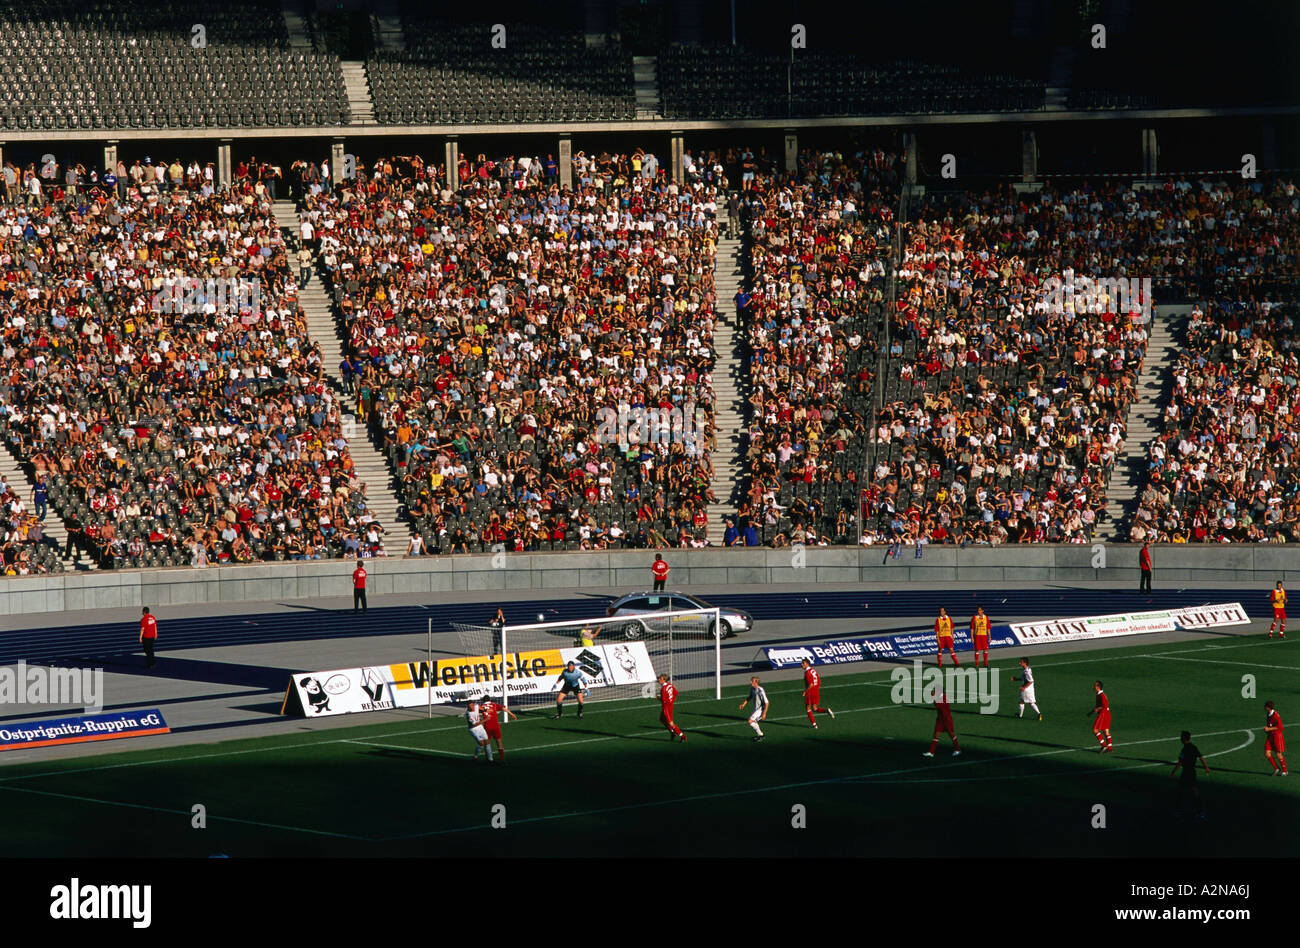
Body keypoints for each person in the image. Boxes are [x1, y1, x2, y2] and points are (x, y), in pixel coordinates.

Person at [1171, 730, 1209, 820]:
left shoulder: (1184, 749)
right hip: (1192, 772)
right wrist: (1206, 767)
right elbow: (1201, 758)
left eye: (1181, 737)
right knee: (1195, 792)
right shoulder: (1194, 747)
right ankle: (1200, 812)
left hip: (1186, 773)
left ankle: (1178, 811)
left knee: (1180, 791)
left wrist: (1173, 772)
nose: (1180, 738)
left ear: (1184, 738)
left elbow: (1180, 762)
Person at [923, 690, 961, 757]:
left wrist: (933, 696)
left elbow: (938, 706)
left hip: (947, 720)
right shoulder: (940, 697)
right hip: (940, 720)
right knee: (936, 735)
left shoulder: (944, 699)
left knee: (951, 734)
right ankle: (931, 752)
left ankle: (957, 750)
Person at [479, 696, 516, 763]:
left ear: (483, 700)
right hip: (495, 725)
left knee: (487, 743)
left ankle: (489, 759)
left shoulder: (481, 706)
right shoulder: (494, 705)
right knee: (499, 742)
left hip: (487, 726)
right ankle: (502, 760)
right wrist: (511, 714)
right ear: (490, 700)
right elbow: (503, 708)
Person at [800, 658, 835, 728]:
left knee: (808, 708)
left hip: (810, 692)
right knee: (815, 708)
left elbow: (811, 684)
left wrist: (805, 691)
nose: (801, 665)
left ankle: (814, 725)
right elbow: (818, 682)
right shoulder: (813, 670)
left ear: (807, 664)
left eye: (803, 663)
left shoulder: (807, 673)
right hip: (816, 691)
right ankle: (826, 711)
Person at [739, 675, 769, 741]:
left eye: (752, 681)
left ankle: (761, 735)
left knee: (750, 721)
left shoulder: (760, 690)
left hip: (760, 709)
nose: (750, 682)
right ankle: (760, 735)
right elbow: (750, 696)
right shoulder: (752, 689)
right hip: (756, 709)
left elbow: (767, 702)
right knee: (753, 722)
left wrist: (764, 713)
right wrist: (743, 704)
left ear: (756, 682)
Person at [658, 673, 687, 742]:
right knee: (662, 719)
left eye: (660, 679)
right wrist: (671, 700)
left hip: (666, 708)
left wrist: (656, 697)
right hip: (670, 705)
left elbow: (663, 701)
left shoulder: (663, 689)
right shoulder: (670, 685)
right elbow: (675, 693)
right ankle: (672, 733)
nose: (659, 680)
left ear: (664, 680)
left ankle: (683, 736)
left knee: (671, 723)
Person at [1264, 700, 1288, 776]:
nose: (1264, 708)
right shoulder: (1268, 714)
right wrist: (1267, 729)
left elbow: (1280, 727)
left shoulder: (1276, 716)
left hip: (1277, 736)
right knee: (1267, 753)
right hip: (1270, 736)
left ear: (1268, 707)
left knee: (1278, 754)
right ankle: (1276, 768)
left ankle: (1285, 771)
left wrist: (1268, 729)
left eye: (1266, 707)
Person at [1089, 680, 1113, 753]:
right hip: (1107, 714)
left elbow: (1104, 706)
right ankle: (1110, 748)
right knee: (1106, 732)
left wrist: (1097, 709)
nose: (1093, 687)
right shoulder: (1099, 694)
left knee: (1095, 730)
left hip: (1104, 714)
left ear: (1098, 687)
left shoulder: (1101, 695)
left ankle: (1104, 746)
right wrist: (1091, 712)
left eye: (1094, 686)